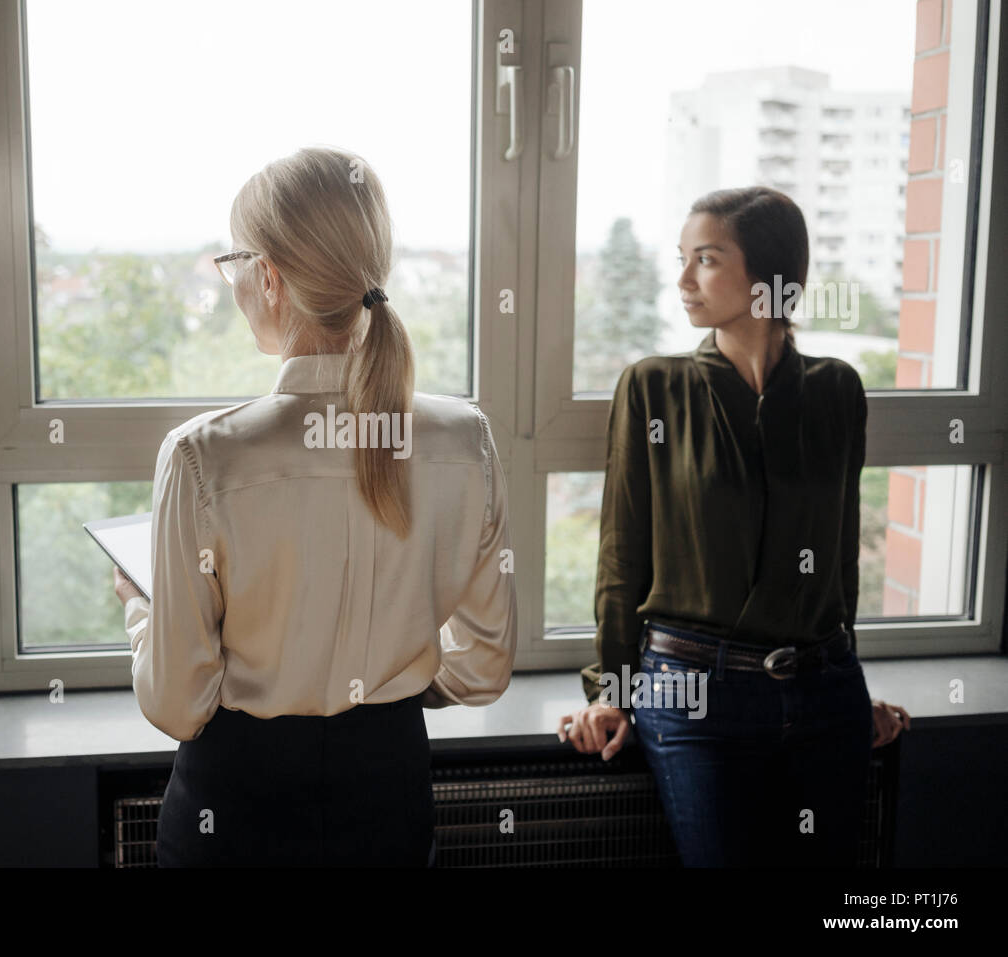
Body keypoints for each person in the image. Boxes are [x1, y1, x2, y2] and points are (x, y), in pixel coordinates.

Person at [113, 146, 518, 867]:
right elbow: (482, 668)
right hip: (388, 796)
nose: (234, 281)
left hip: (234, 810)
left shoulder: (203, 455)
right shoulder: (466, 439)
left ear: (267, 277)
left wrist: (141, 605)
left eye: (234, 262)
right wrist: (387, 689)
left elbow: (177, 705)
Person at [556, 186, 910, 867]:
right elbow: (622, 554)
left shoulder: (837, 389)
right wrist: (613, 692)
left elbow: (839, 559)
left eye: (706, 259)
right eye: (682, 258)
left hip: (824, 694)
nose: (683, 278)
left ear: (771, 277)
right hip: (693, 697)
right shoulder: (653, 387)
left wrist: (850, 682)